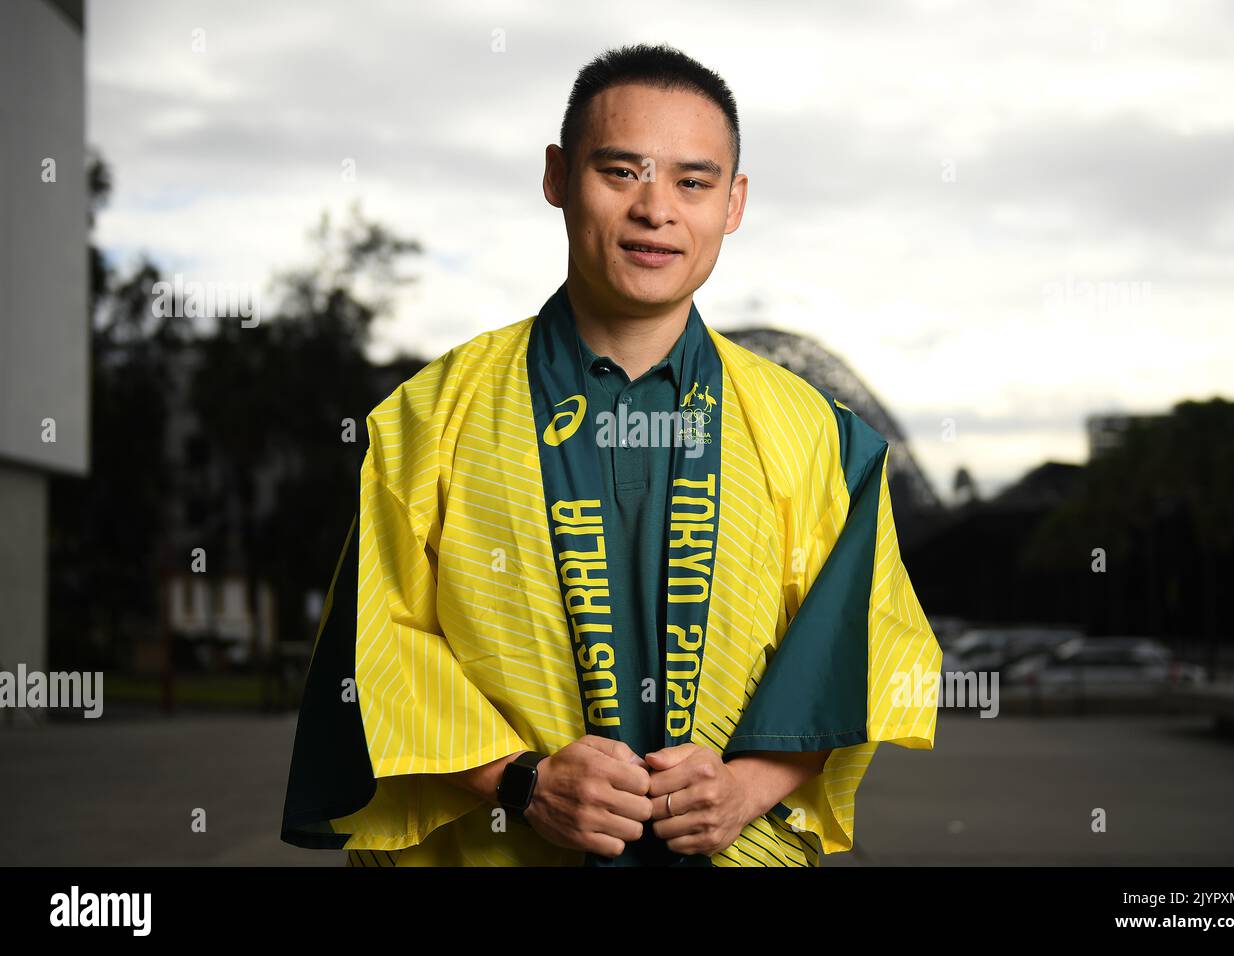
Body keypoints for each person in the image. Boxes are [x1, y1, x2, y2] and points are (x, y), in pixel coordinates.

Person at [281, 42, 941, 868]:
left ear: (733, 203)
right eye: (622, 171)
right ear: (558, 177)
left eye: (693, 182)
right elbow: (376, 647)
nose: (656, 209)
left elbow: (857, 647)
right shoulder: (431, 416)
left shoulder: (820, 436)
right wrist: (520, 782)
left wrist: (748, 786)